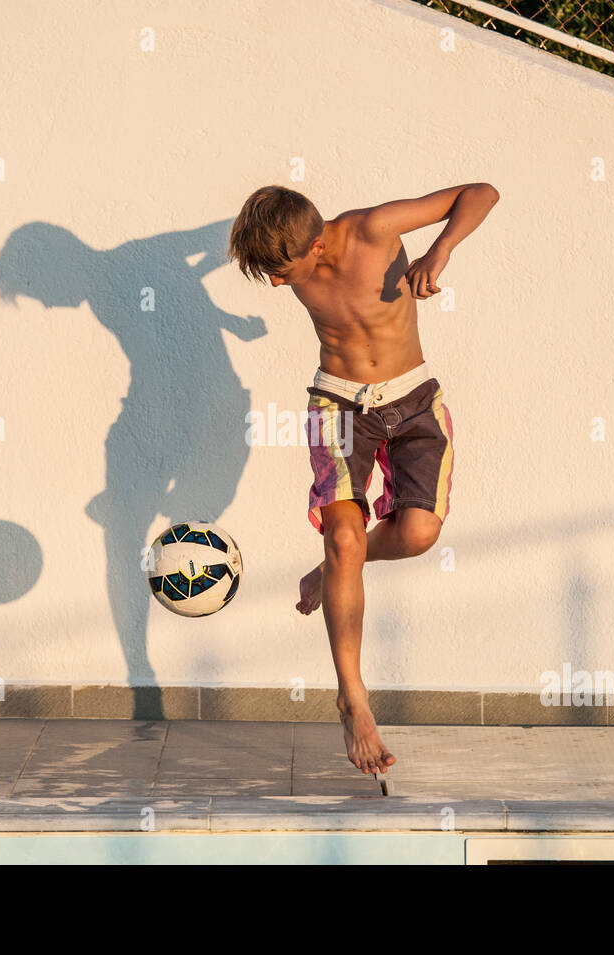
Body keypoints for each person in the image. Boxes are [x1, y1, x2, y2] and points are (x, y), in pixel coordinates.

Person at [227, 182, 500, 774]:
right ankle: (354, 702)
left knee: (418, 534)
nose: (278, 285)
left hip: (413, 400)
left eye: (283, 272)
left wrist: (442, 249)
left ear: (320, 244)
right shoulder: (291, 258)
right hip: (338, 404)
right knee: (345, 536)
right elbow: (264, 257)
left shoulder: (376, 228)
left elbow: (482, 191)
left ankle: (335, 568)